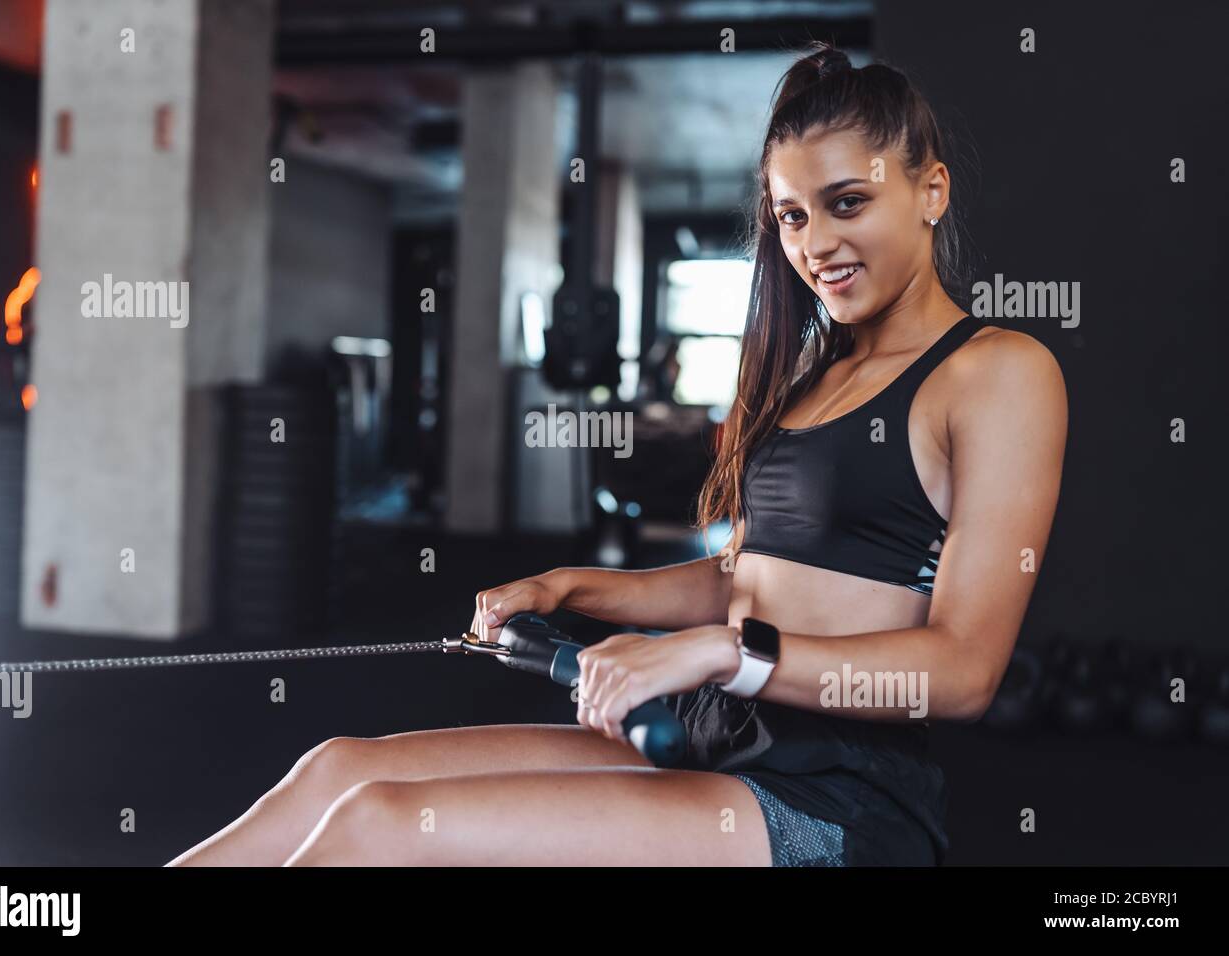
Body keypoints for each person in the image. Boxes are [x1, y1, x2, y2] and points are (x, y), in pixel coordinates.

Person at [167, 41, 1067, 867]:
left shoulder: (997, 374)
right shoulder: (811, 376)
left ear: (932, 191)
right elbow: (737, 579)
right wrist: (568, 588)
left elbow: (962, 672)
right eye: (790, 216)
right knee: (340, 774)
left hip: (834, 799)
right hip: (716, 739)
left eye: (848, 203)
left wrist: (724, 654)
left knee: (382, 832)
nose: (814, 244)